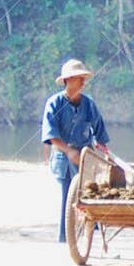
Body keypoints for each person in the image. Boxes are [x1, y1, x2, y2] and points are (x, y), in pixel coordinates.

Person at [41, 59, 112, 243]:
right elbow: (51, 134)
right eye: (79, 78)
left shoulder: (89, 104)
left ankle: (91, 229)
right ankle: (66, 238)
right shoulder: (54, 103)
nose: (83, 82)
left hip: (85, 158)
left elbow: (99, 131)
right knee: (68, 196)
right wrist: (68, 151)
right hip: (64, 159)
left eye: (83, 79)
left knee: (88, 193)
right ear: (68, 80)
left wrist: (105, 152)